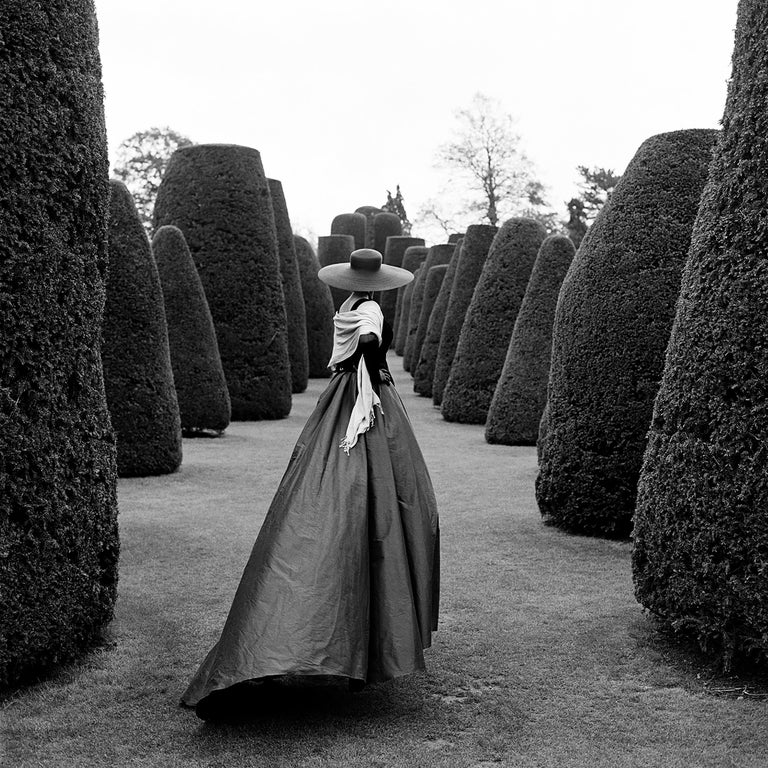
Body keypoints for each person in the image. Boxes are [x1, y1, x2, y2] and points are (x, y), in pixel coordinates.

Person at [181, 248, 440, 718]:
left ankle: (348, 639)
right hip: (367, 403)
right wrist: (369, 372)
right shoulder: (372, 309)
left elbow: (355, 348)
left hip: (340, 399)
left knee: (337, 496)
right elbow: (368, 344)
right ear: (381, 281)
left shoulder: (345, 307)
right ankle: (362, 638)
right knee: (386, 505)